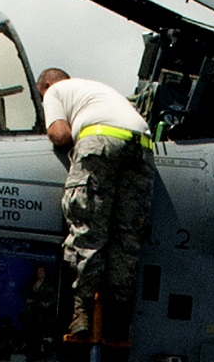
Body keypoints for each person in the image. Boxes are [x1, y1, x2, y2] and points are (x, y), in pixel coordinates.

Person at [37, 65, 151, 340]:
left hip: (100, 141)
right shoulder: (101, 91)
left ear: (45, 88)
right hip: (141, 146)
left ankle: (82, 312)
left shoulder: (55, 91)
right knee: (127, 238)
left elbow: (61, 135)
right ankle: (116, 317)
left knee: (89, 228)